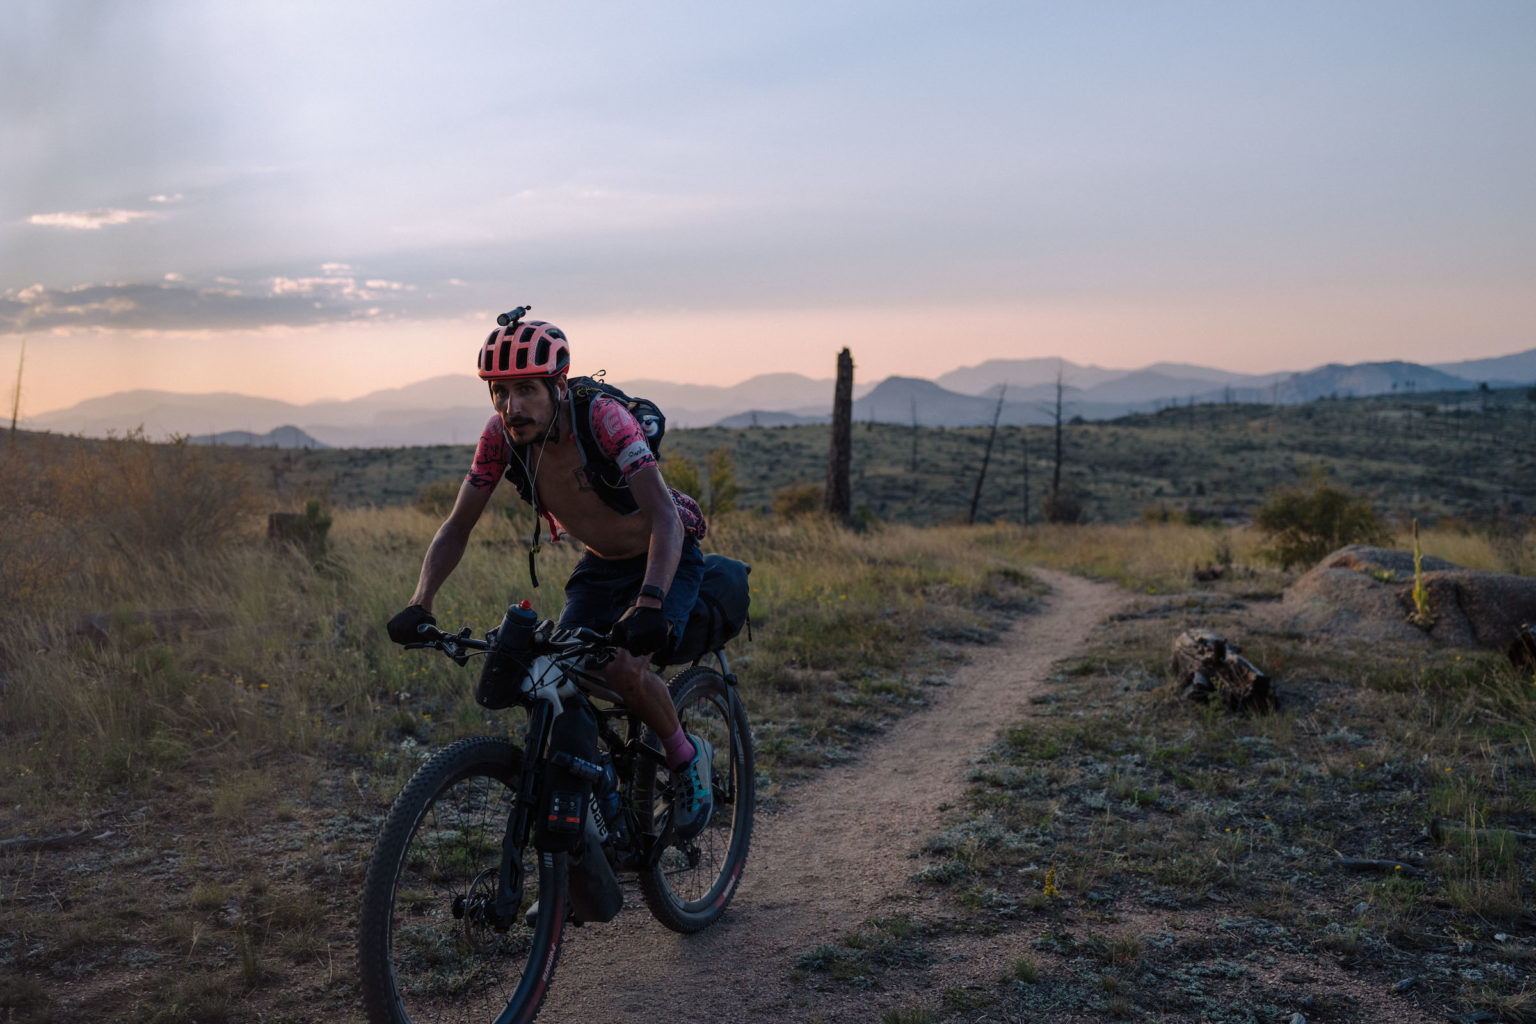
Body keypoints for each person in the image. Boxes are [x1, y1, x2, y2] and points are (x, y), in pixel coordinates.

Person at [386, 316, 714, 837]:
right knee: (558, 675)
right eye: (500, 392)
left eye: (526, 390)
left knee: (624, 669)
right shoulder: (500, 437)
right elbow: (457, 526)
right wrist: (420, 601)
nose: (511, 406)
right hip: (601, 564)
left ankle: (685, 756)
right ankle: (598, 796)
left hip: (665, 554)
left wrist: (650, 601)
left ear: (558, 385)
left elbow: (666, 518)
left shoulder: (604, 419)